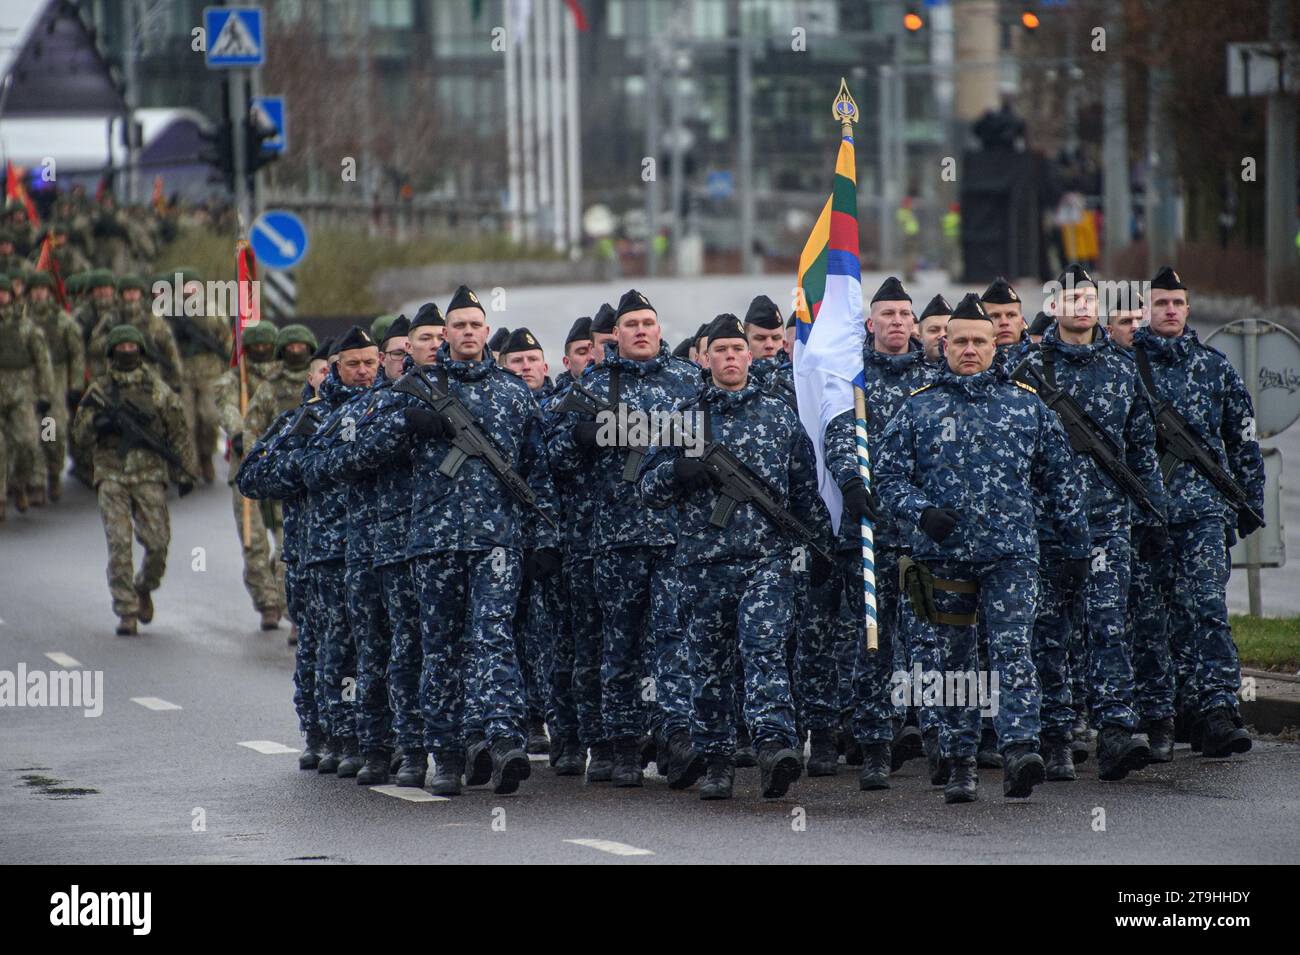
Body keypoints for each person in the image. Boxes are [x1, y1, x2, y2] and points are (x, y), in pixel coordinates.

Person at [874, 293, 1089, 804]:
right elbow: (885, 476)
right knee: (954, 664)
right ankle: (961, 762)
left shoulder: (1024, 404)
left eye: (979, 341)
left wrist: (1077, 543)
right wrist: (921, 511)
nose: (970, 349)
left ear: (996, 346)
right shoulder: (918, 407)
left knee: (1014, 651)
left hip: (1010, 555)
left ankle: (1019, 749)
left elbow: (1061, 478)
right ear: (944, 345)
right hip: (941, 558)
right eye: (961, 341)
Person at [640, 313, 831, 799]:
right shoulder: (681, 419)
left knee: (764, 650)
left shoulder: (778, 414)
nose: (730, 357)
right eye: (720, 350)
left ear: (749, 355)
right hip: (701, 564)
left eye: (737, 349)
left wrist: (819, 547)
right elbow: (647, 488)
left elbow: (803, 491)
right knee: (709, 663)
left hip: (765, 561)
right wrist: (679, 472)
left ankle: (774, 748)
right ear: (705, 358)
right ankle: (717, 759)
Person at [548, 288, 704, 789]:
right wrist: (580, 437)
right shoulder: (594, 384)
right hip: (615, 537)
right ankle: (621, 746)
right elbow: (555, 460)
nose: (640, 331)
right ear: (616, 334)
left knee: (674, 640)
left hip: (676, 537)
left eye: (648, 323)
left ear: (660, 331)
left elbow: (707, 439)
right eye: (631, 324)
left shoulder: (687, 381)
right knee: (620, 647)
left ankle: (678, 738)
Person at [1018, 265, 1167, 782]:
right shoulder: (1026, 368)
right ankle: (1056, 737)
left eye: (1089, 298)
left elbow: (1143, 449)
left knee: (1108, 628)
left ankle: (1117, 734)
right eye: (1070, 299)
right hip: (1044, 528)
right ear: (1053, 307)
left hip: (1107, 523)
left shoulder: (1122, 369)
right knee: (1048, 632)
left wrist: (1154, 512)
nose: (1081, 306)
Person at [1132, 266, 1263, 759]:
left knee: (1207, 607)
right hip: (1148, 515)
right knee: (1156, 616)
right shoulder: (1127, 367)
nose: (1169, 311)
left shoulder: (1214, 367)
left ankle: (1219, 708)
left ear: (1188, 310)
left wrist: (1248, 503)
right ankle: (1167, 710)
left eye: (1177, 304)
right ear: (1146, 309)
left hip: (1204, 512)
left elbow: (1242, 439)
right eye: (1160, 303)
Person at [823, 276, 933, 789]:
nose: (895, 322)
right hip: (867, 534)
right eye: (886, 314)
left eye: (903, 315)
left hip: (924, 537)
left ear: (914, 324)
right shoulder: (853, 378)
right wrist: (850, 479)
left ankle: (940, 741)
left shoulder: (935, 378)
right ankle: (874, 744)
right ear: (870, 324)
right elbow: (839, 430)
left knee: (932, 643)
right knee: (874, 646)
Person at [72, 325, 195, 634]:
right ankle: (126, 610)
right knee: (119, 544)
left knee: (158, 543)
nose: (127, 351)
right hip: (111, 474)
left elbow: (178, 431)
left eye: (132, 346)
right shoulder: (99, 391)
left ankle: (143, 586)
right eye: (121, 346)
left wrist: (184, 472)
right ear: (112, 352)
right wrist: (99, 425)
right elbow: (79, 434)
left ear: (140, 351)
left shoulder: (157, 390)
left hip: (150, 475)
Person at [215, 320, 284, 629]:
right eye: (255, 346)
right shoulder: (234, 380)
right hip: (246, 466)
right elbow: (226, 408)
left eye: (266, 346)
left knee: (287, 539)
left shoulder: (284, 379)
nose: (261, 352)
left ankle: (284, 594)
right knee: (253, 540)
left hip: (282, 467)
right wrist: (240, 434)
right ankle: (267, 602)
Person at [0, 273, 54, 519]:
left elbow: (43, 362)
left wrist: (45, 393)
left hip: (22, 392)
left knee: (28, 443)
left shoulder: (26, 327)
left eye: (4, 292)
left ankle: (19, 482)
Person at [916, 294, 952, 367]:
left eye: (948, 330)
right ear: (920, 336)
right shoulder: (908, 373)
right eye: (933, 330)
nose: (942, 335)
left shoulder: (969, 372)